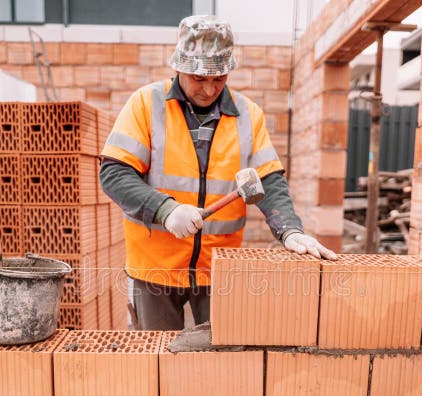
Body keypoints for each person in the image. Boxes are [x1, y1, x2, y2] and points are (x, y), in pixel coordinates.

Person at [100, 14, 337, 330]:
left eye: (219, 78)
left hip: (218, 269)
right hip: (154, 267)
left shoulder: (248, 115)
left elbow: (268, 177)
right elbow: (114, 173)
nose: (209, 89)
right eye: (199, 78)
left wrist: (289, 229)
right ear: (179, 67)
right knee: (155, 360)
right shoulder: (145, 104)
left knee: (220, 363)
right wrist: (166, 210)